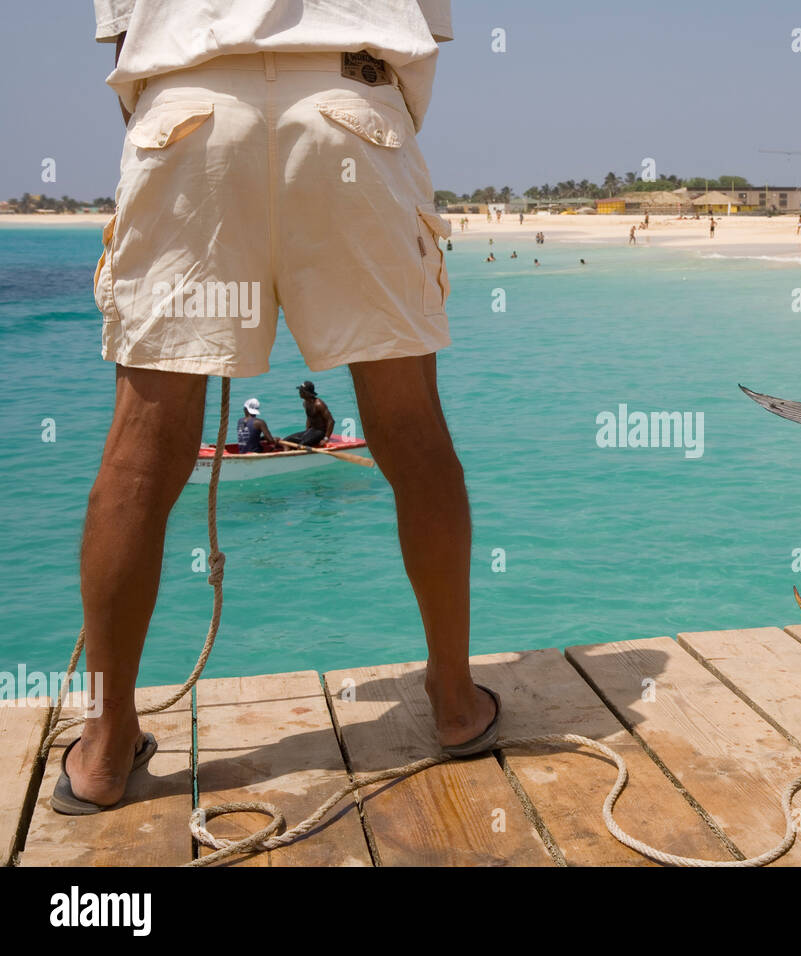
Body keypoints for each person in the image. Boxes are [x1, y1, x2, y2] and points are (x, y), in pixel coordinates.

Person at [62, 1, 498, 815]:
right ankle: (453, 700)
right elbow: (430, 28)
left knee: (139, 449)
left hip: (188, 107)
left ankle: (105, 743)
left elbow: (122, 32)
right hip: (349, 106)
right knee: (408, 426)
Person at [281, 381, 335, 447]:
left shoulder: (319, 404)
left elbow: (331, 421)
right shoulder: (305, 403)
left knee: (301, 445)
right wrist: (307, 432)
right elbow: (309, 418)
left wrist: (326, 438)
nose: (299, 393)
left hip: (321, 432)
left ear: (307, 393)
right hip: (311, 430)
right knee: (285, 441)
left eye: (301, 391)